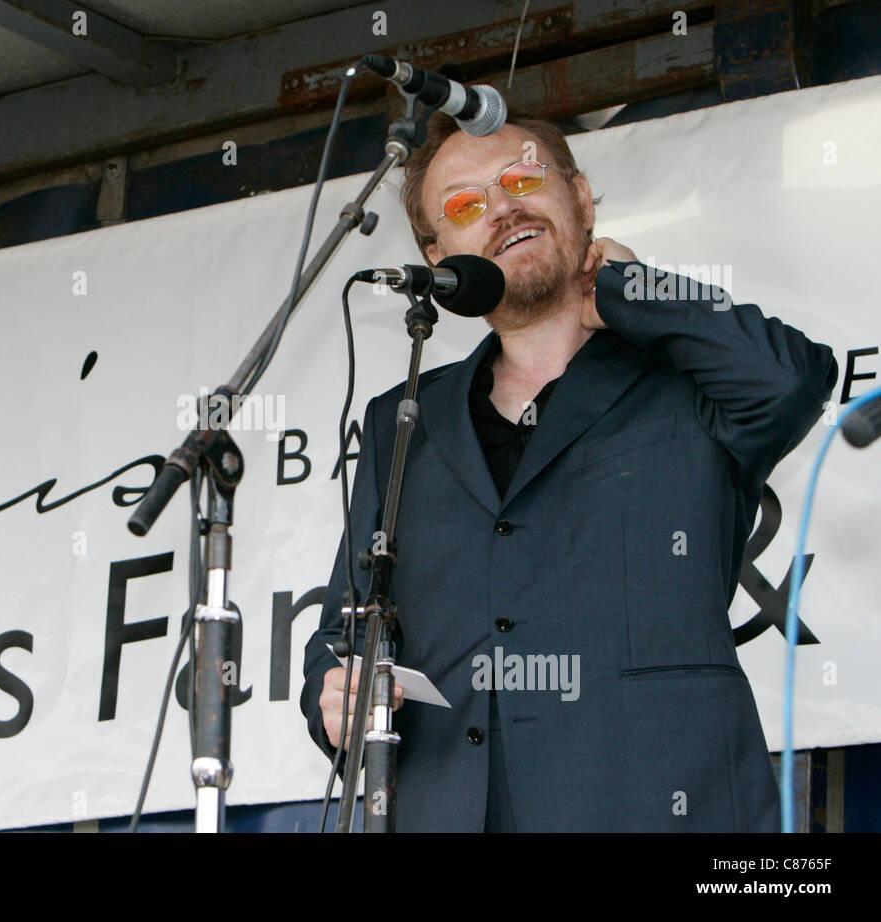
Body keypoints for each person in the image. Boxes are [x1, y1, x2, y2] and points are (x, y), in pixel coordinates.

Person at [298, 108, 839, 832]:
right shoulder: (403, 419)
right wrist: (331, 692)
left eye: (523, 177)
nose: (503, 207)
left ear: (581, 199)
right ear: (438, 255)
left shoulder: (687, 383)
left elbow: (792, 379)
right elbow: (344, 627)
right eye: (465, 204)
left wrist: (631, 291)